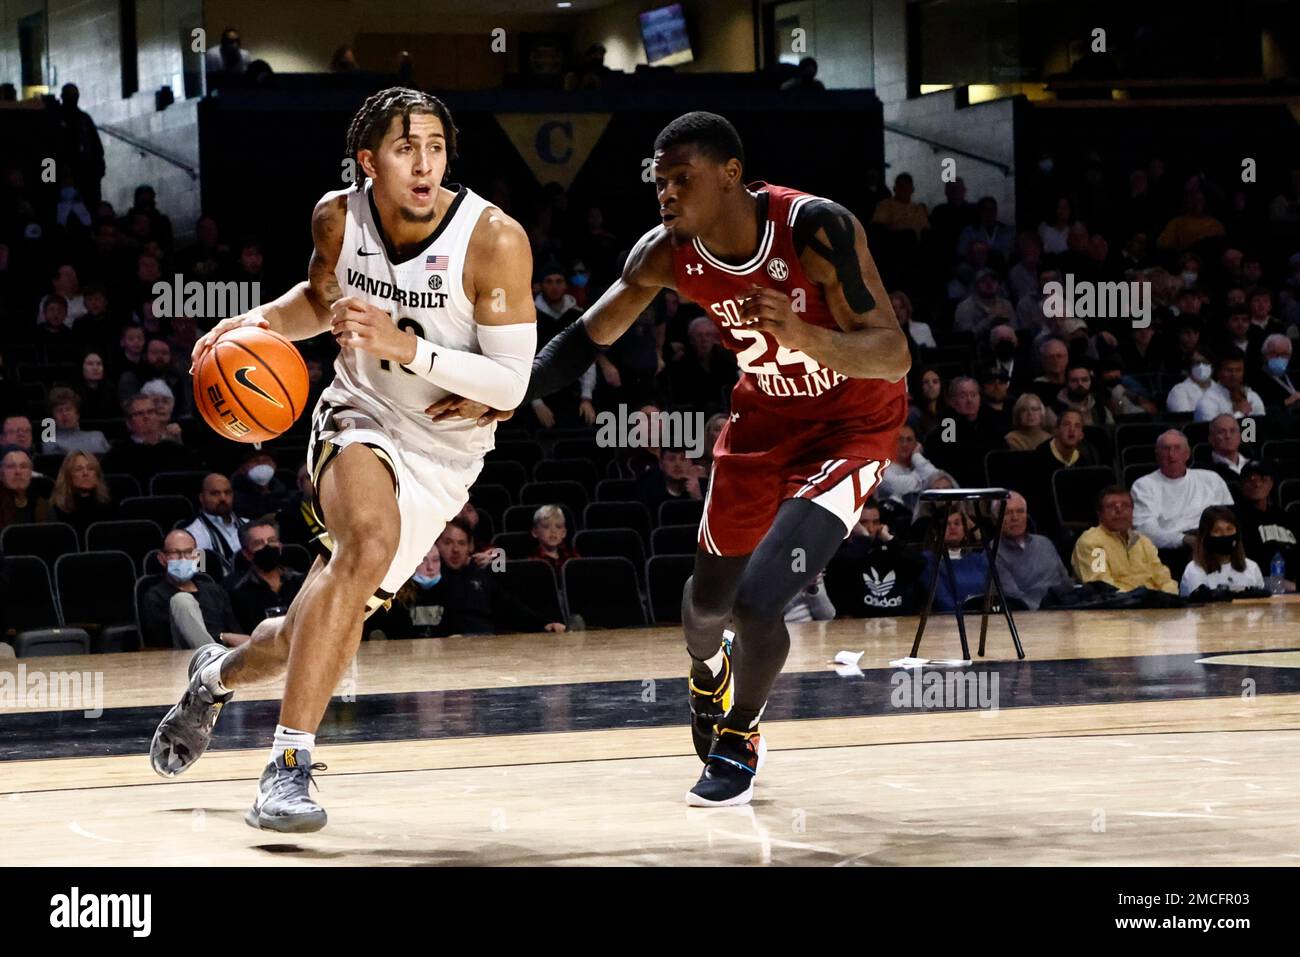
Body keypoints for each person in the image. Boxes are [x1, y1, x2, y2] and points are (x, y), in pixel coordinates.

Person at [434, 111, 909, 807]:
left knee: (758, 602)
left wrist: (804, 332)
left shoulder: (816, 228)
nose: (665, 194)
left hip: (849, 428)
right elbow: (585, 336)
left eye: (681, 179)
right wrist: (505, 390)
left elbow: (893, 353)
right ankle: (704, 672)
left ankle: (741, 736)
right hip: (759, 426)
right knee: (704, 610)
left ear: (730, 176)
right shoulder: (663, 253)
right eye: (659, 182)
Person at [151, 88, 538, 834]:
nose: (425, 165)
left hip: (445, 453)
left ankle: (215, 674)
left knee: (303, 634)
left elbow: (511, 383)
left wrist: (409, 346)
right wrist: (257, 322)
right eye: (405, 148)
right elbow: (318, 299)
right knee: (365, 542)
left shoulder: (494, 239)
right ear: (369, 161)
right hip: (358, 412)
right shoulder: (339, 217)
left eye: (435, 147)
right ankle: (287, 769)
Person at [411, 520, 566, 636]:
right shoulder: (426, 577)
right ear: (436, 544)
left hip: (484, 647)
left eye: (462, 543)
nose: (456, 549)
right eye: (448, 543)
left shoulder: (481, 575)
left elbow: (511, 608)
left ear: (470, 547)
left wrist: (544, 624)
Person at [1130, 431, 1233, 577]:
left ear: (1187, 454)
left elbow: (1230, 517)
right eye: (1166, 449)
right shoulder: (1144, 485)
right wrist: (1183, 540)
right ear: (1157, 455)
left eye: (1177, 448)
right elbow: (1146, 530)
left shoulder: (1211, 479)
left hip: (1212, 539)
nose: (1171, 454)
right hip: (1172, 549)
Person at [140, 530, 241, 649]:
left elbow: (235, 632)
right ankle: (210, 656)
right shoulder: (154, 596)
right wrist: (222, 637)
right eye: (175, 552)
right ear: (162, 559)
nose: (183, 558)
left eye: (189, 552)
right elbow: (165, 641)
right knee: (182, 600)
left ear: (198, 557)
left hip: (227, 654)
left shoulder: (214, 590)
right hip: (183, 657)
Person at [1071, 486, 1177, 594]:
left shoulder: (1143, 542)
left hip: (1156, 605)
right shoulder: (1093, 542)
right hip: (1118, 607)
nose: (1119, 510)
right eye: (1111, 506)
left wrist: (1169, 597)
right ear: (1100, 514)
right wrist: (1144, 600)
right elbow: (1102, 586)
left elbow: (1164, 580)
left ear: (1132, 511)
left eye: (1125, 505)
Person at [994, 491, 1073, 610]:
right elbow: (1013, 597)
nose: (1015, 517)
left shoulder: (1044, 543)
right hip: (1031, 617)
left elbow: (1066, 582)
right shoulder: (994, 552)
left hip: (1065, 608)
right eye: (1007, 513)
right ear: (995, 520)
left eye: (1020, 511)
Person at [226, 520, 306, 635]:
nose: (267, 547)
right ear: (247, 554)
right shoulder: (238, 593)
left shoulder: (301, 582)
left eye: (272, 541)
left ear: (280, 547)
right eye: (258, 543)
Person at [101, 394, 197, 489]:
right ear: (129, 423)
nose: (146, 417)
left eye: (150, 412)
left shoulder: (177, 450)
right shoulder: (117, 455)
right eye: (139, 413)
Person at [1234, 461, 1298, 590]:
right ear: (1241, 485)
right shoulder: (1234, 517)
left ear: (1271, 483)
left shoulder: (1287, 517)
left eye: (1262, 479)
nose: (1257, 484)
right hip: (1256, 585)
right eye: (1250, 480)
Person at [1178, 505, 1264, 597]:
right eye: (1217, 531)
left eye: (1229, 529)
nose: (1224, 535)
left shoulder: (1252, 567)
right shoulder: (1194, 570)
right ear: (1206, 536)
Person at [183, 474, 249, 576]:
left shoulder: (249, 524)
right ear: (202, 498)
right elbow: (201, 575)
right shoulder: (191, 534)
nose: (223, 498)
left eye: (227, 493)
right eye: (215, 493)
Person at [49, 451, 116, 538]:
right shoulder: (57, 509)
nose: (85, 473)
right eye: (78, 469)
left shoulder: (109, 504)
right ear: (68, 476)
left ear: (97, 474)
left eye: (90, 468)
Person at [874, 424, 935, 513]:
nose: (904, 444)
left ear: (917, 444)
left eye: (909, 440)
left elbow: (936, 478)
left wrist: (917, 456)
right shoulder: (882, 467)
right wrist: (922, 479)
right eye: (900, 439)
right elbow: (900, 487)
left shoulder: (917, 465)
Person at [1193, 350, 1264, 422]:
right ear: (1218, 373)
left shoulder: (1252, 397)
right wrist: (1239, 414)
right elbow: (1214, 431)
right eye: (1229, 370)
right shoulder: (1207, 402)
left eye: (1238, 370)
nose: (1234, 375)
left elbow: (1263, 426)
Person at [42, 388, 111, 456]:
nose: (64, 414)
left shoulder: (97, 437)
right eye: (59, 410)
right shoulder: (50, 443)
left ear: (77, 414)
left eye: (68, 409)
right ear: (53, 418)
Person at [0, 448, 50, 530]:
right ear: (1, 475)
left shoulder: (42, 505)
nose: (18, 471)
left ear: (30, 473)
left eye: (23, 466)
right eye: (11, 466)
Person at [1252, 334, 1299, 409]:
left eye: (1284, 354)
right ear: (1264, 356)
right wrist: (1286, 402)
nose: (1279, 358)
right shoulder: (1255, 381)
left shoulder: (1294, 375)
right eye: (1273, 353)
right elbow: (1258, 411)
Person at [530, 503, 578, 573]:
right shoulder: (533, 561)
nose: (553, 531)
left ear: (564, 533)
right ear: (535, 533)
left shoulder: (572, 557)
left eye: (558, 527)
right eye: (546, 527)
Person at [1165, 350, 1216, 414]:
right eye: (1196, 363)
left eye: (1205, 362)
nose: (1201, 366)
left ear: (1212, 367)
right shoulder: (1178, 391)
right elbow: (1184, 418)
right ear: (1189, 368)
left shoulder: (1222, 389)